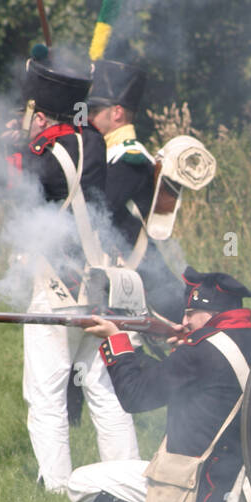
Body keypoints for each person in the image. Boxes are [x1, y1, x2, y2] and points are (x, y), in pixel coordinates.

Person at [10, 48, 139, 493]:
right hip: (97, 277)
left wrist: (14, 148)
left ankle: (58, 485)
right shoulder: (93, 141)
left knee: (45, 393)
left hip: (56, 284)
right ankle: (125, 475)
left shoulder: (41, 152)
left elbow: (18, 199)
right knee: (103, 389)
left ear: (39, 114)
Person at [67, 268, 251, 502]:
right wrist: (169, 352)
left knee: (79, 484)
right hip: (242, 482)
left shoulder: (198, 351)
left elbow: (134, 396)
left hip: (195, 487)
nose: (183, 320)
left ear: (208, 315)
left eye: (189, 313)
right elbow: (187, 378)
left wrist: (115, 339)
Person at [87, 56, 188, 320]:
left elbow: (99, 208)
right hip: (120, 273)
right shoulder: (111, 154)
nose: (88, 118)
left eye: (94, 112)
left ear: (117, 113)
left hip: (139, 277)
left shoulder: (129, 158)